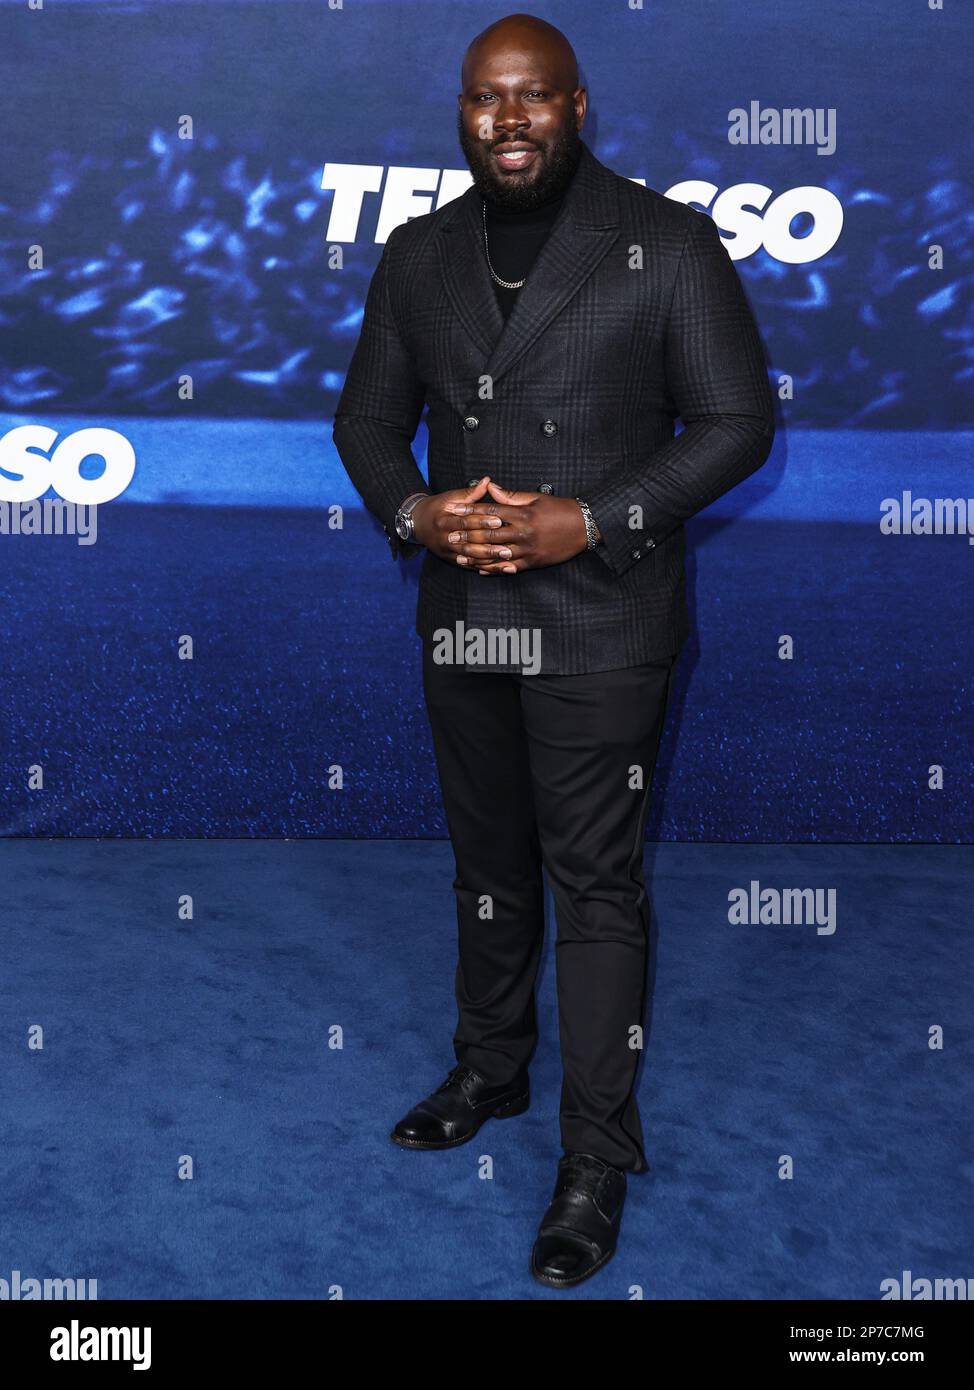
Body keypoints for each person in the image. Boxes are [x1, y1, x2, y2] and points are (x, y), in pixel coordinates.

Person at [332, 11, 775, 1288]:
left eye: (531, 97)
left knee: (594, 886)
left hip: (602, 619)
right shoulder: (417, 254)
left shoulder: (666, 242)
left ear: (576, 107)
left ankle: (595, 1150)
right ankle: (490, 1065)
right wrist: (415, 511)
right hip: (464, 620)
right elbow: (366, 419)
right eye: (483, 99)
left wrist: (594, 518)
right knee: (487, 858)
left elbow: (735, 420)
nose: (506, 119)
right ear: (461, 114)